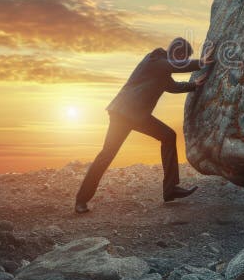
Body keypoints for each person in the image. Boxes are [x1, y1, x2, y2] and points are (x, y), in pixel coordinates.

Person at [74, 37, 213, 214]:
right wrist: (201, 63)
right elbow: (173, 66)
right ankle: (81, 200)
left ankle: (170, 190)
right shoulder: (155, 59)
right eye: (183, 57)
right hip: (122, 114)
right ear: (176, 53)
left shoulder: (163, 71)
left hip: (139, 117)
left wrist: (194, 85)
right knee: (107, 155)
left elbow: (173, 86)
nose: (182, 61)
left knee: (169, 136)